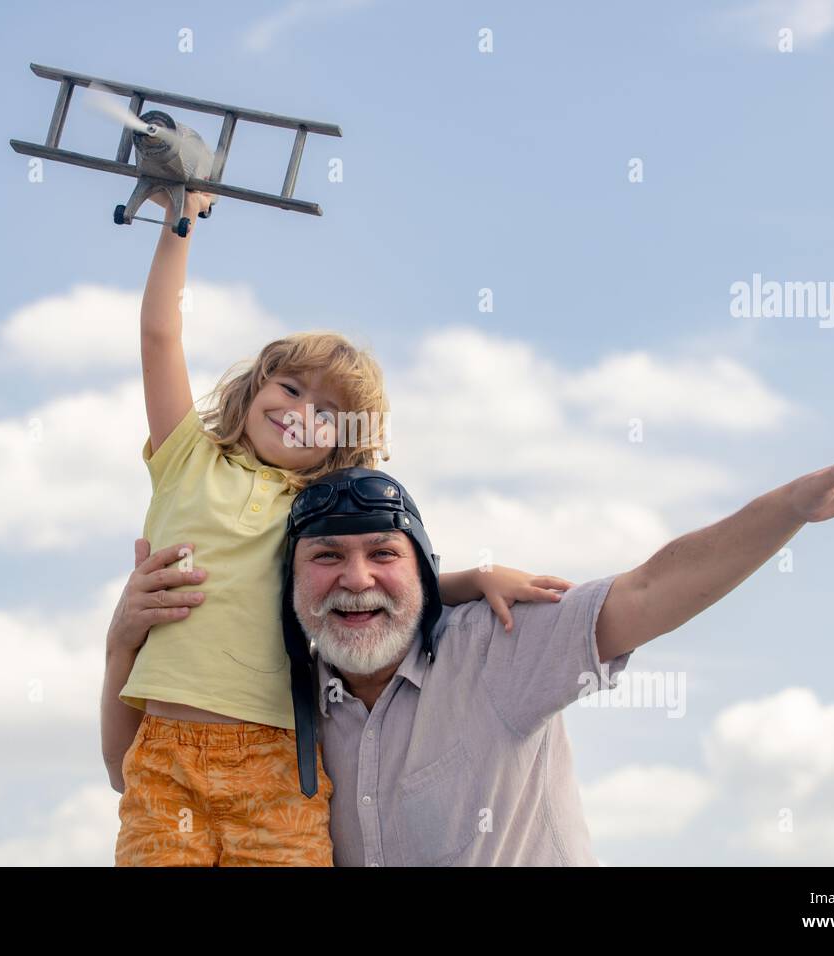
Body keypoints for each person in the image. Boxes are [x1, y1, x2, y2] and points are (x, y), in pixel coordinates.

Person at [108, 425, 834, 865]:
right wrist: (124, 647)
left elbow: (649, 589)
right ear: (290, 589)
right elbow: (133, 775)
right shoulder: (278, 699)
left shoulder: (496, 647)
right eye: (326, 557)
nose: (355, 578)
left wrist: (790, 508)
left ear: (425, 573)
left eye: (382, 554)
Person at [102, 190, 573, 866]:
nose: (299, 411)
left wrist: (478, 577)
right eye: (290, 388)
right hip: (164, 755)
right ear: (255, 386)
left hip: (277, 760)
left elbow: (377, 583)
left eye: (326, 412)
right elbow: (158, 336)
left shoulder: (320, 511)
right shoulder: (187, 458)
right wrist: (182, 221)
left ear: (342, 444)